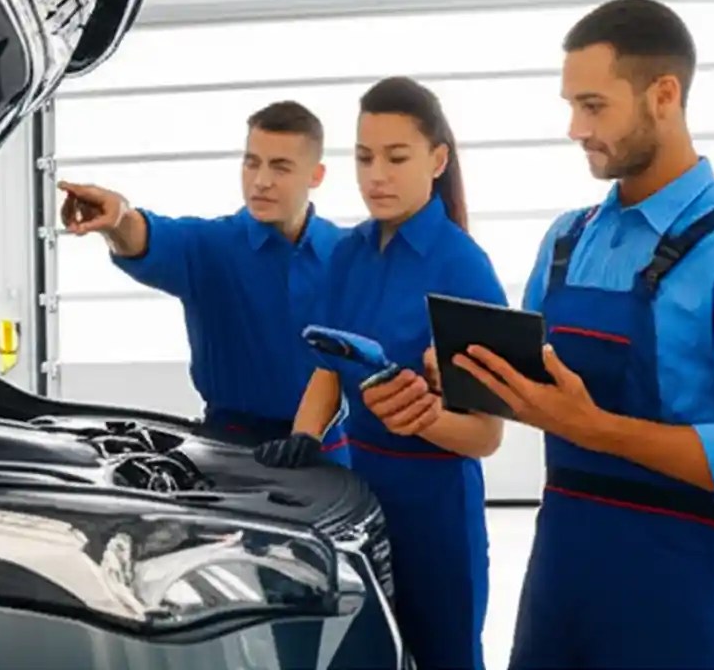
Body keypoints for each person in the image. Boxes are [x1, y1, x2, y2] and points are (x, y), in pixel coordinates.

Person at [443, 0, 714, 669]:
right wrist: (454, 373)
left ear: (663, 96)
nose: (573, 127)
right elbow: (537, 387)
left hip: (675, 583)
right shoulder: (568, 238)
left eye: (593, 105)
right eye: (570, 105)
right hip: (560, 571)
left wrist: (597, 429)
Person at [254, 76, 506, 670]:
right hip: (361, 498)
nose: (377, 176)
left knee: (442, 655)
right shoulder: (348, 253)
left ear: (437, 160)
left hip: (437, 508)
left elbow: (486, 436)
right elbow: (328, 364)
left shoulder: (464, 267)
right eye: (365, 158)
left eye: (397, 158)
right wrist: (306, 437)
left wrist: (425, 419)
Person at [57, 101, 350, 465]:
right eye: (251, 162)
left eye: (280, 167)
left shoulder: (352, 257)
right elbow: (149, 236)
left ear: (316, 176)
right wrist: (118, 219)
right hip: (231, 455)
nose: (261, 180)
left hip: (329, 455)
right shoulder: (210, 247)